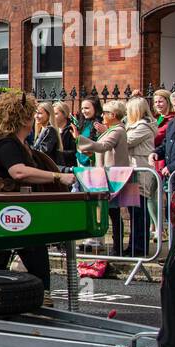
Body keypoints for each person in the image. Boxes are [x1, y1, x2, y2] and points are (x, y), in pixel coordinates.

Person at [0, 91, 74, 291]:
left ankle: (42, 297)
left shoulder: (20, 144)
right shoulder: (6, 142)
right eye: (31, 114)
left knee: (36, 259)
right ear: (22, 118)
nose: (34, 118)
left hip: (19, 213)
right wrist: (58, 177)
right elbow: (19, 172)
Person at [76, 99, 129, 256]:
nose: (102, 115)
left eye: (105, 113)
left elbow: (103, 146)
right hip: (105, 175)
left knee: (114, 213)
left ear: (113, 115)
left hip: (112, 177)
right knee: (110, 212)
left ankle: (117, 247)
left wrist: (79, 140)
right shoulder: (111, 130)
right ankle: (113, 245)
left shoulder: (117, 130)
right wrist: (90, 153)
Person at [124, 96, 158, 254]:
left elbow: (127, 141)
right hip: (133, 168)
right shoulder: (134, 125)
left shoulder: (143, 126)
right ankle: (133, 246)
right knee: (133, 211)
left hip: (141, 170)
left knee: (139, 211)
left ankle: (140, 247)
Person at [49, 101, 78, 168]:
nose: (52, 116)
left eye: (56, 114)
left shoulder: (71, 129)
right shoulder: (51, 129)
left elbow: (74, 152)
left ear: (64, 114)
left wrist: (57, 153)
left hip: (68, 167)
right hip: (54, 166)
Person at [75, 97, 103, 167]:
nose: (83, 111)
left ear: (95, 108)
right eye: (82, 108)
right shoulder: (84, 123)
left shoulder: (101, 124)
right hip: (81, 162)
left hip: (94, 164)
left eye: (86, 108)